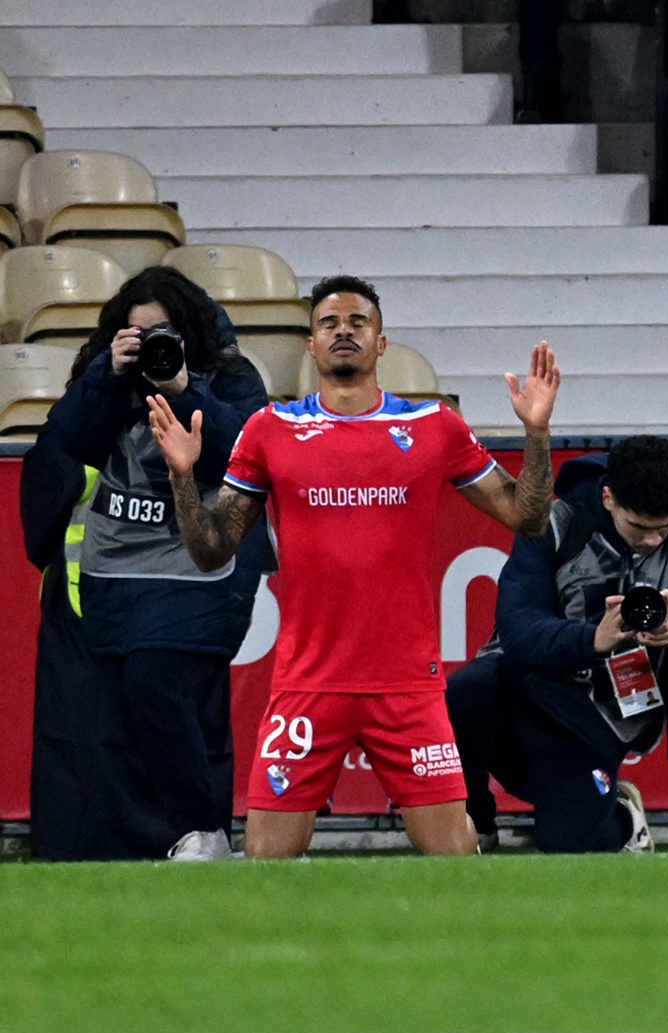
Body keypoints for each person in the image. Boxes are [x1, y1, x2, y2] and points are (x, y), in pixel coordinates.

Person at [146, 273, 560, 858]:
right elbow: (211, 549)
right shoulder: (270, 430)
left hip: (408, 686)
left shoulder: (433, 427)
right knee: (266, 864)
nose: (344, 332)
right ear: (311, 346)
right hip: (307, 684)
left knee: (456, 861)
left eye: (358, 322)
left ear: (381, 343)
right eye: (328, 324)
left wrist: (536, 433)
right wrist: (183, 477)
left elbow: (529, 518)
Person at [33, 266, 274, 861]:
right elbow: (62, 443)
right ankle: (146, 837)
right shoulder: (109, 376)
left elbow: (252, 449)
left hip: (201, 560)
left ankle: (202, 829)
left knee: (154, 675)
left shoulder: (232, 376)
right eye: (136, 335)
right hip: (117, 564)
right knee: (127, 691)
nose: (150, 347)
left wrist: (187, 388)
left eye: (161, 334)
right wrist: (106, 378)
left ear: (187, 332)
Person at [446, 435, 668, 854]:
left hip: (593, 726)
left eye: (664, 528)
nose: (652, 540)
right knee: (465, 690)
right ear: (608, 498)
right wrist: (593, 639)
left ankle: (624, 817)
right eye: (640, 528)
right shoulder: (554, 526)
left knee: (571, 844)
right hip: (522, 695)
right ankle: (475, 824)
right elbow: (517, 632)